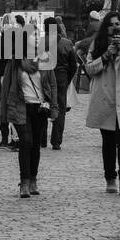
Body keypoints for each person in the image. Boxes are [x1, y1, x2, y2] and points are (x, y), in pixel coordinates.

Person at [86, 12, 120, 195]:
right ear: (106, 27)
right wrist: (105, 55)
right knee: (108, 141)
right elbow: (89, 69)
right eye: (112, 25)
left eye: (118, 24)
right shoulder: (98, 44)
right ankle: (110, 177)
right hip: (106, 99)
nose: (115, 28)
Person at [0, 25, 57, 197]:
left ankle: (33, 179)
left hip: (40, 109)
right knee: (26, 141)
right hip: (20, 107)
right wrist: (4, 114)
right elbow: (6, 86)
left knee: (36, 146)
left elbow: (52, 85)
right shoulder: (15, 62)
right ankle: (24, 182)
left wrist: (54, 106)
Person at [48, 17, 77, 151]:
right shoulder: (67, 43)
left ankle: (41, 139)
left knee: (42, 105)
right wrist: (67, 79)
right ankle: (56, 141)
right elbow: (73, 66)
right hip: (61, 77)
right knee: (60, 108)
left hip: (45, 75)